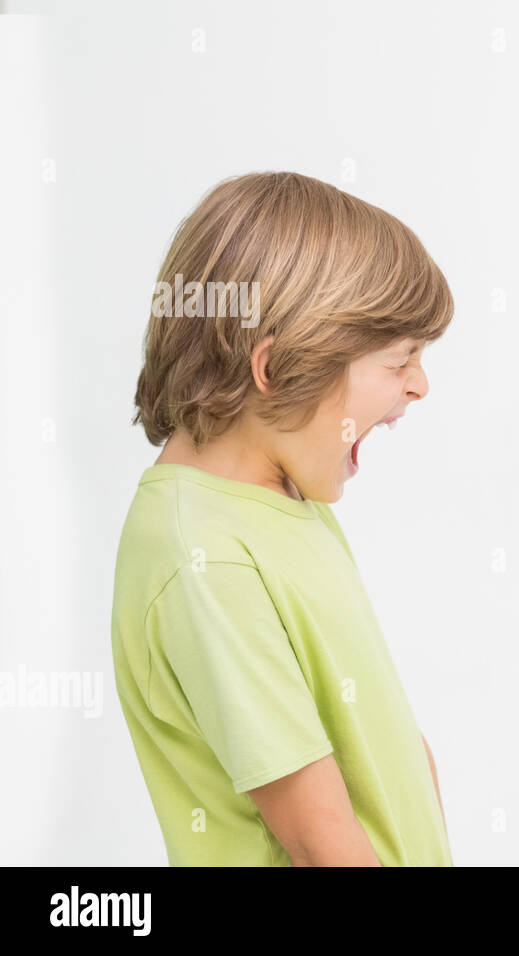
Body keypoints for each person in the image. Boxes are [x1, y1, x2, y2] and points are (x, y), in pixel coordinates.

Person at [111, 171, 454, 865]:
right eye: (400, 360)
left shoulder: (288, 496)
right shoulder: (205, 560)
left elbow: (388, 744)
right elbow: (319, 839)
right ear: (278, 368)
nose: (421, 384)